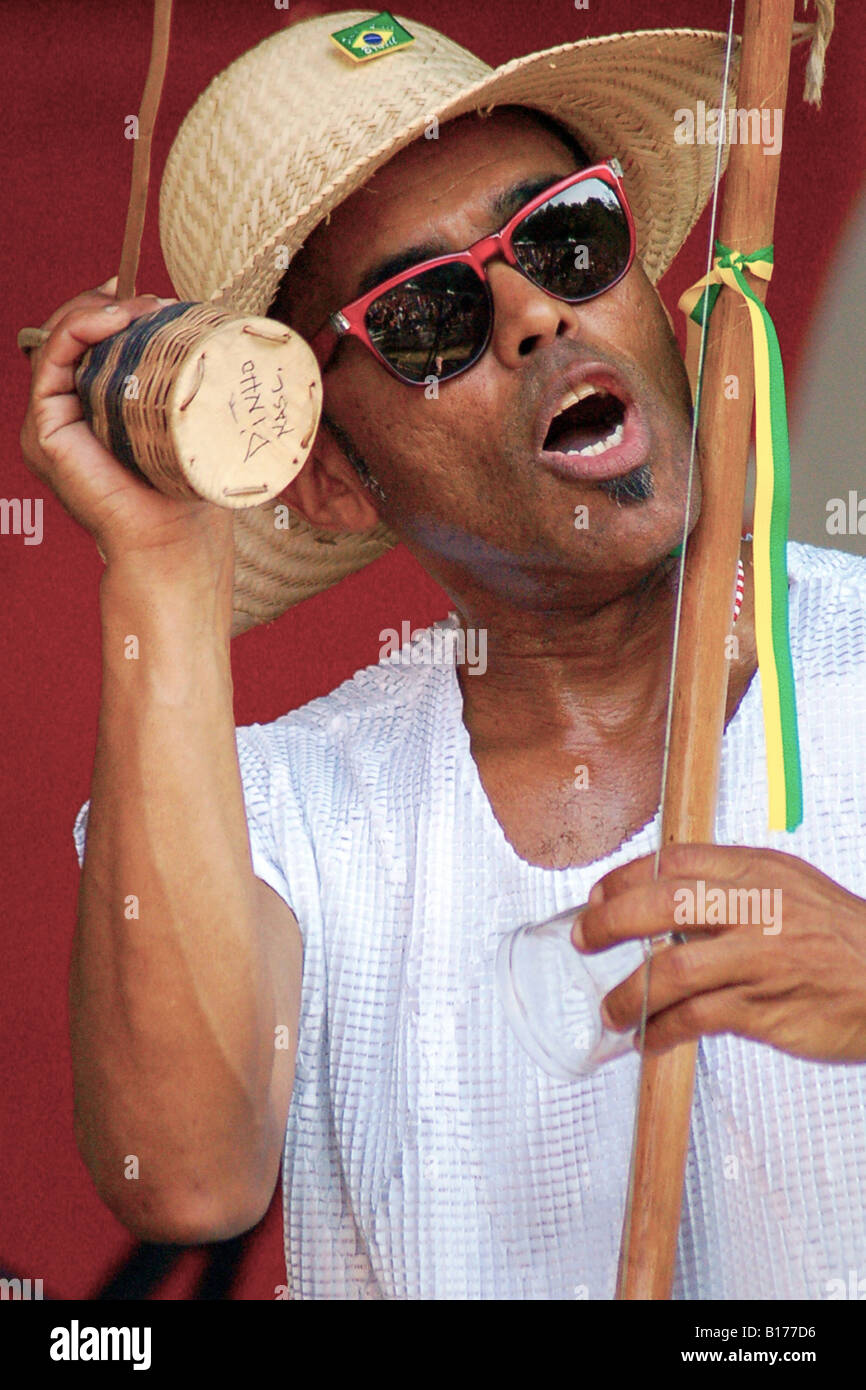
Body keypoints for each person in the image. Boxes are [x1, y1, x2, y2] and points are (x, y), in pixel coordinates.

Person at [19, 12, 866, 1300]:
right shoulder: (286, 814)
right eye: (427, 315)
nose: (534, 312)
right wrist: (164, 565)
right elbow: (180, 1175)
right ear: (335, 477)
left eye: (568, 238)